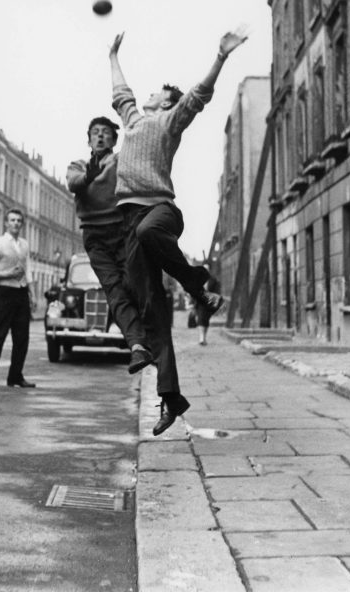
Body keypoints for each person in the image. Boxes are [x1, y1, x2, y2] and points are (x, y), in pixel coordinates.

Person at [109, 27, 247, 436]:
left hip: (161, 213)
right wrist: (112, 56)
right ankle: (170, 400)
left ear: (166, 103)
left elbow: (197, 97)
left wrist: (220, 57)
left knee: (152, 231)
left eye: (156, 93)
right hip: (130, 221)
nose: (148, 96)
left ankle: (195, 285)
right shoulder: (132, 121)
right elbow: (121, 93)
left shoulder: (169, 121)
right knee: (151, 314)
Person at [66, 116, 153, 374]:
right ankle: (137, 345)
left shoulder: (119, 161)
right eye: (95, 132)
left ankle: (142, 338)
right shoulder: (78, 165)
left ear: (114, 140)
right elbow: (74, 183)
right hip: (94, 235)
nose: (100, 136)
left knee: (131, 283)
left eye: (105, 132)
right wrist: (88, 178)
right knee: (114, 290)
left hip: (121, 229)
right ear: (89, 139)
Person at [0, 208, 36, 389]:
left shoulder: (24, 245)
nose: (16, 223)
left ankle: (15, 376)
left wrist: (31, 294)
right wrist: (5, 273)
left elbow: (29, 270)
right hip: (3, 293)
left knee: (22, 338)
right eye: (12, 220)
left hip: (21, 294)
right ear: (6, 223)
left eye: (19, 220)